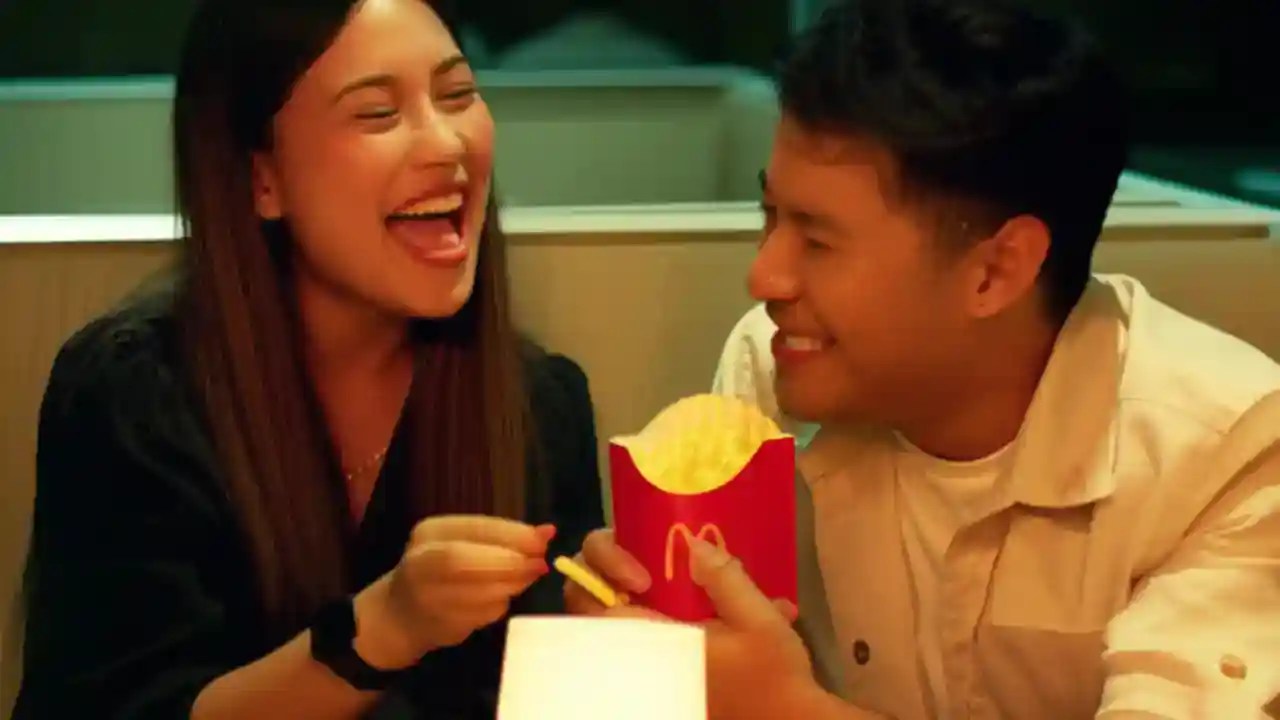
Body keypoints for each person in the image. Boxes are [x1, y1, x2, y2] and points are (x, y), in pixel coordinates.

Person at [565, 0, 1280, 718]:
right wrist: (648, 644)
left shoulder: (1235, 453)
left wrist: (787, 709)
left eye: (817, 240)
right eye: (770, 217)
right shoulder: (772, 366)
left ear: (995, 271)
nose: (765, 278)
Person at [14, 0, 604, 717]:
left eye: (458, 96)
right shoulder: (135, 398)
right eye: (379, 113)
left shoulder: (539, 404)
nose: (447, 144)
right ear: (263, 178)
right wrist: (381, 629)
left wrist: (616, 632)